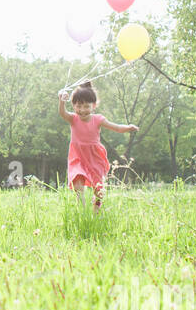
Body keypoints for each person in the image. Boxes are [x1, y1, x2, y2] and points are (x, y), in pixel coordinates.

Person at [57, 80, 136, 212]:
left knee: (98, 189)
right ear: (74, 105)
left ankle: (96, 210)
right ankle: (81, 211)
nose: (82, 110)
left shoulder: (98, 119)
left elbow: (116, 127)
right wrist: (61, 101)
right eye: (78, 106)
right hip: (77, 155)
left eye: (86, 106)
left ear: (94, 105)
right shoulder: (73, 118)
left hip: (94, 156)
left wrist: (128, 127)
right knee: (77, 181)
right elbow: (62, 113)